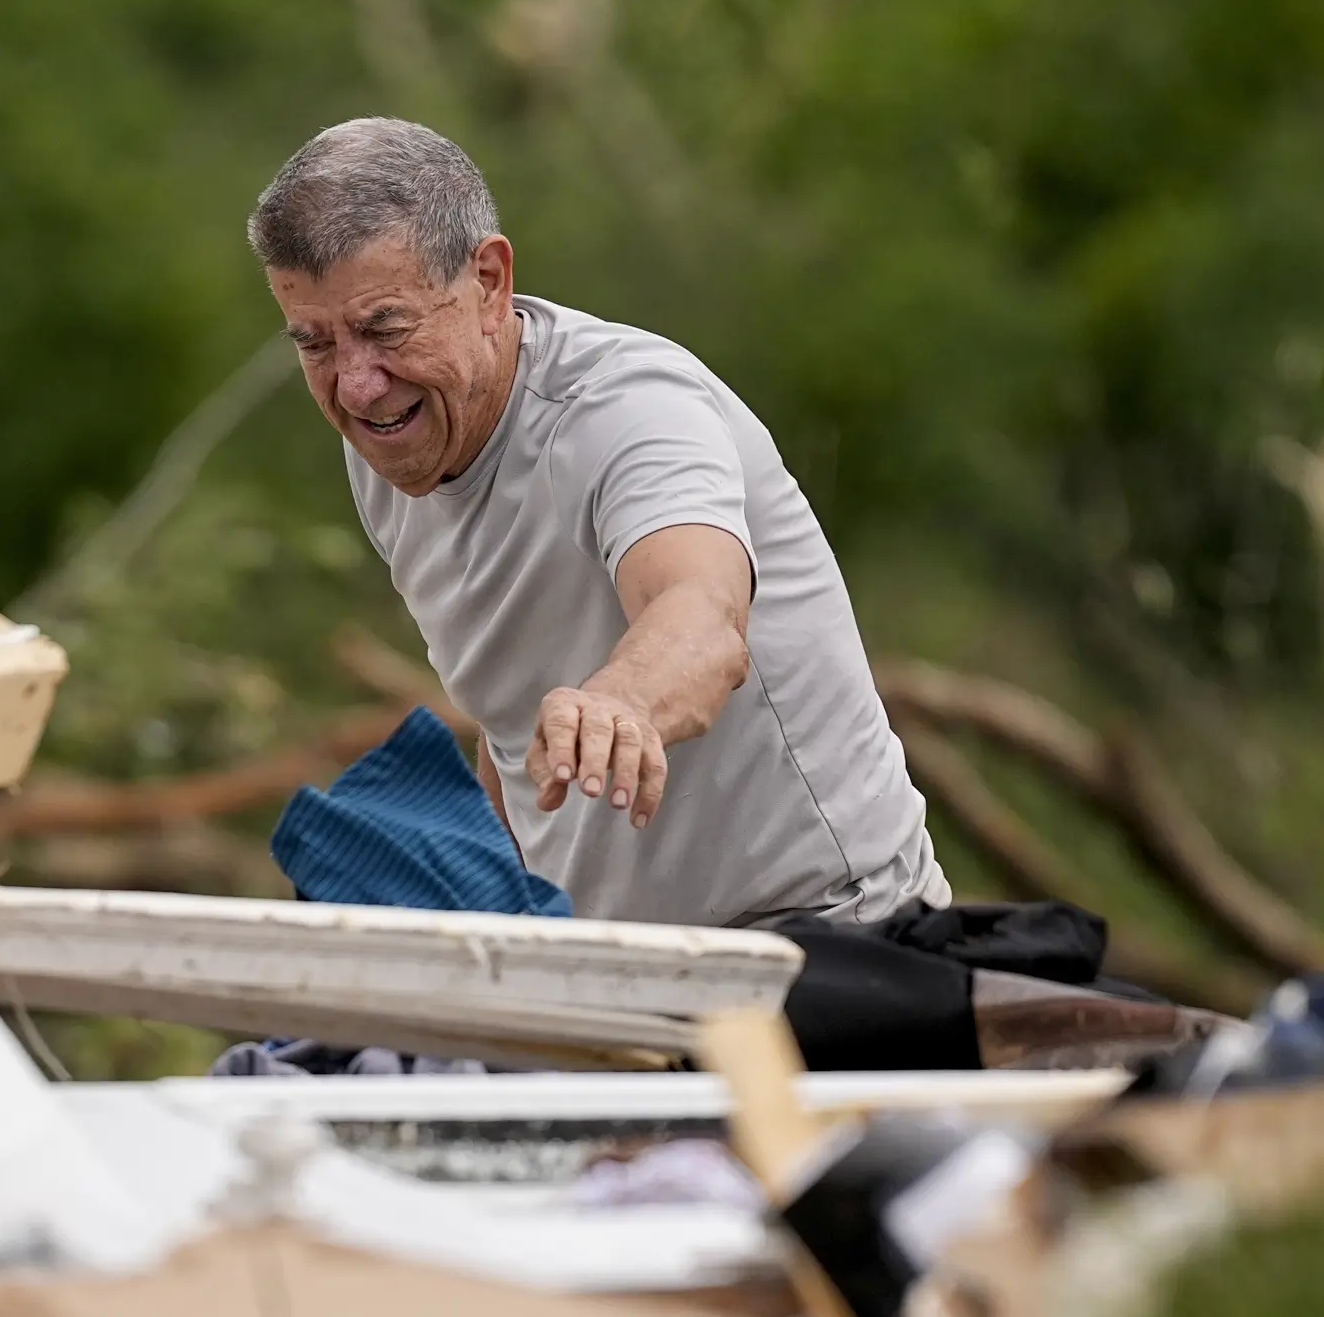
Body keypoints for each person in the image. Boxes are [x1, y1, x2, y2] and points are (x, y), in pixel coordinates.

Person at [249, 117, 950, 936]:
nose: (357, 387)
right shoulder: (392, 445)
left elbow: (701, 613)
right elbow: (515, 726)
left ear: (488, 281)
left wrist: (622, 700)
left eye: (384, 329)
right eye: (315, 344)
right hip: (619, 968)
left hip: (838, 936)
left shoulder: (628, 409)